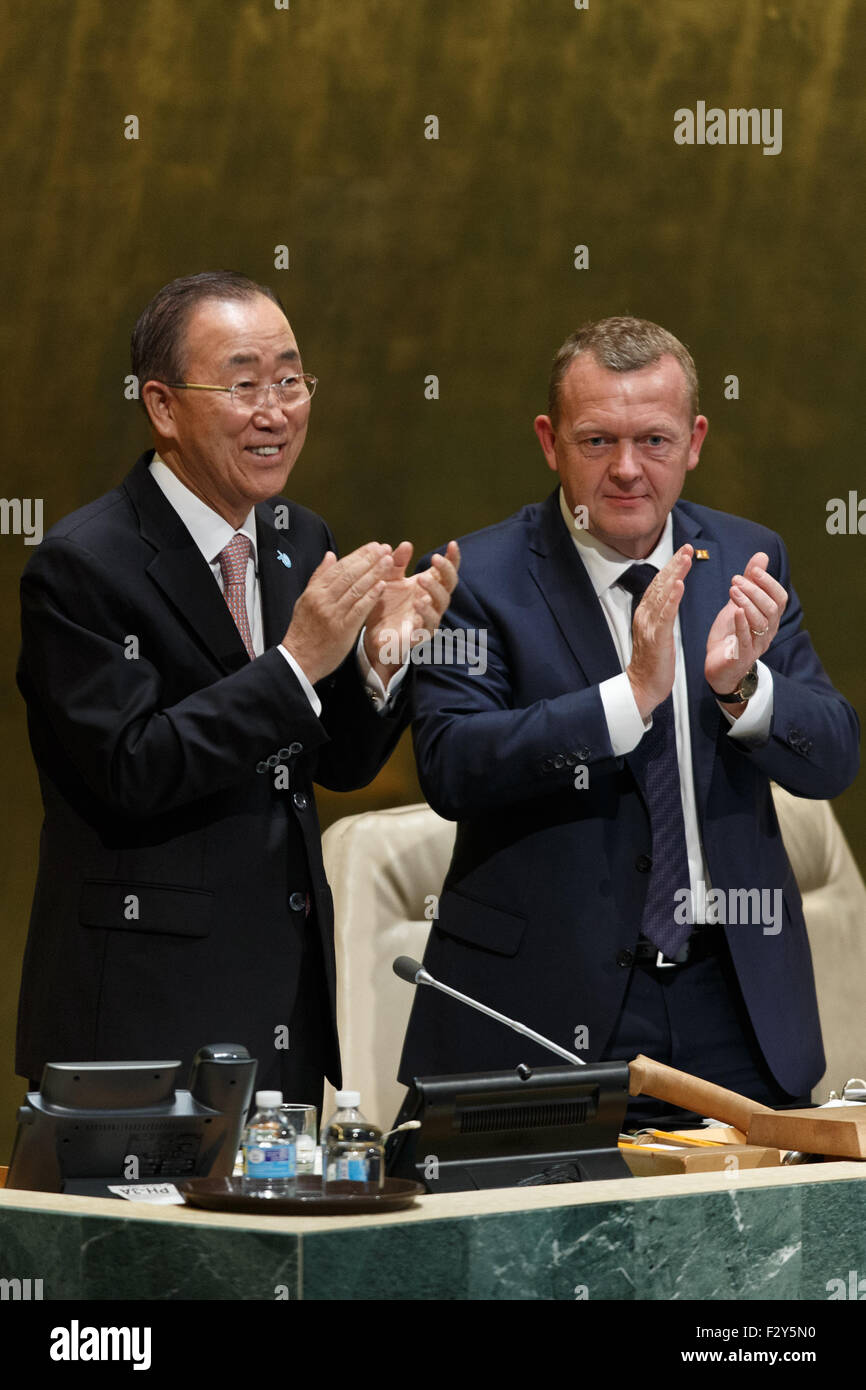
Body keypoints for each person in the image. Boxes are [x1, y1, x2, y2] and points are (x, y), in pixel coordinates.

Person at [398, 316, 859, 1123]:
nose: (627, 470)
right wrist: (628, 700)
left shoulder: (750, 558)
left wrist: (745, 690)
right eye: (596, 441)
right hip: (544, 1011)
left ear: (696, 440)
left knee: (756, 1250)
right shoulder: (481, 577)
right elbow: (451, 762)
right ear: (549, 441)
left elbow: (832, 756)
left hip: (736, 1003)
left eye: (654, 439)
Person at [15, 270, 458, 1107]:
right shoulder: (84, 566)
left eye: (291, 381)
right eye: (244, 383)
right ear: (162, 405)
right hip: (139, 1027)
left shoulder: (299, 537)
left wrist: (380, 662)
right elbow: (133, 769)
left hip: (282, 1011)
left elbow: (335, 766)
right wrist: (297, 661)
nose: (276, 411)